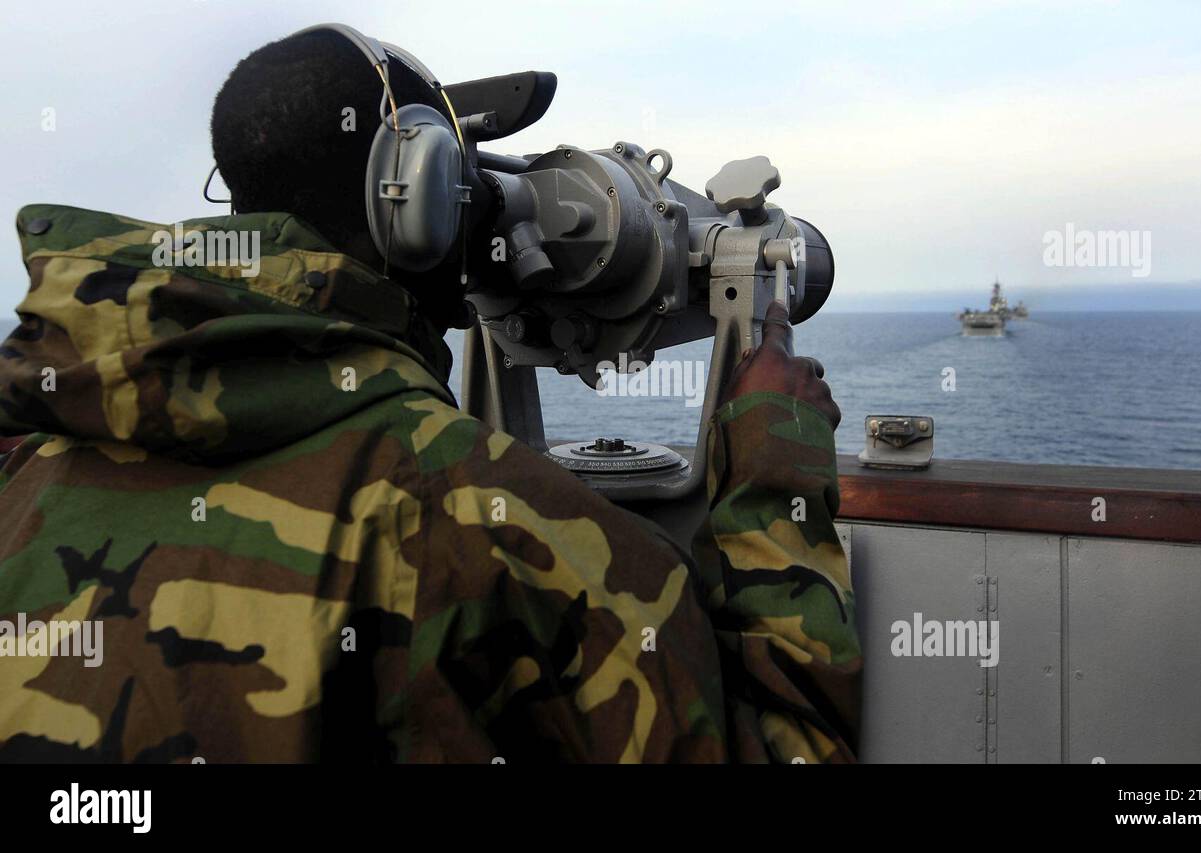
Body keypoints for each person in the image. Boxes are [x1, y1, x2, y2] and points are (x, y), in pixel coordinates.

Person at [0, 27, 860, 763]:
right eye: (461, 179)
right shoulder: (476, 519)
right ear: (411, 191)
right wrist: (773, 456)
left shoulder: (37, 459)